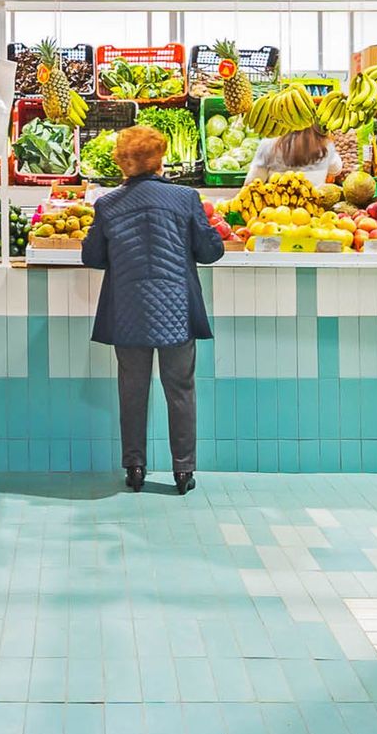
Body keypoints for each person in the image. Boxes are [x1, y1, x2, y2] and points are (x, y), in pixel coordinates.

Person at [81, 121, 225, 493]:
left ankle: (135, 469)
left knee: (132, 389)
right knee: (180, 389)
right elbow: (210, 252)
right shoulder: (185, 198)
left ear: (122, 164)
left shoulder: (107, 204)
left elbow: (93, 257)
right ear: (160, 159)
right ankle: (183, 472)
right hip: (176, 310)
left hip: (128, 312)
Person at [246, 122, 335, 187]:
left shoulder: (268, 143)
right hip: (315, 207)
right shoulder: (326, 145)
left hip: (276, 209)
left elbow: (253, 182)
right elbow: (336, 170)